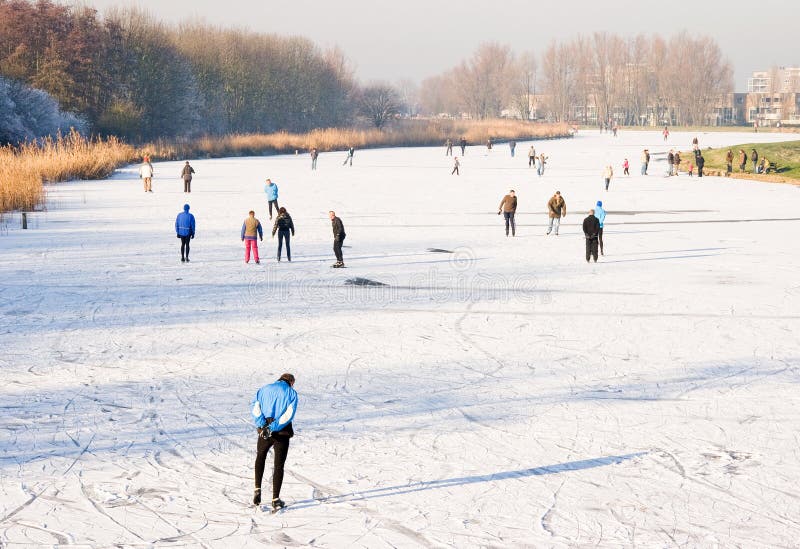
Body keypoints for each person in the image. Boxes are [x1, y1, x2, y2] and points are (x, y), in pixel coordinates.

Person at [251, 373, 298, 511]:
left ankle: (257, 489)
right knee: (278, 465)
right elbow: (289, 415)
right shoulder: (292, 393)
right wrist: (273, 427)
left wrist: (263, 426)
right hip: (282, 431)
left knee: (260, 456)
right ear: (291, 381)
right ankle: (275, 499)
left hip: (264, 429)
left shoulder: (263, 389)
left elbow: (255, 408)